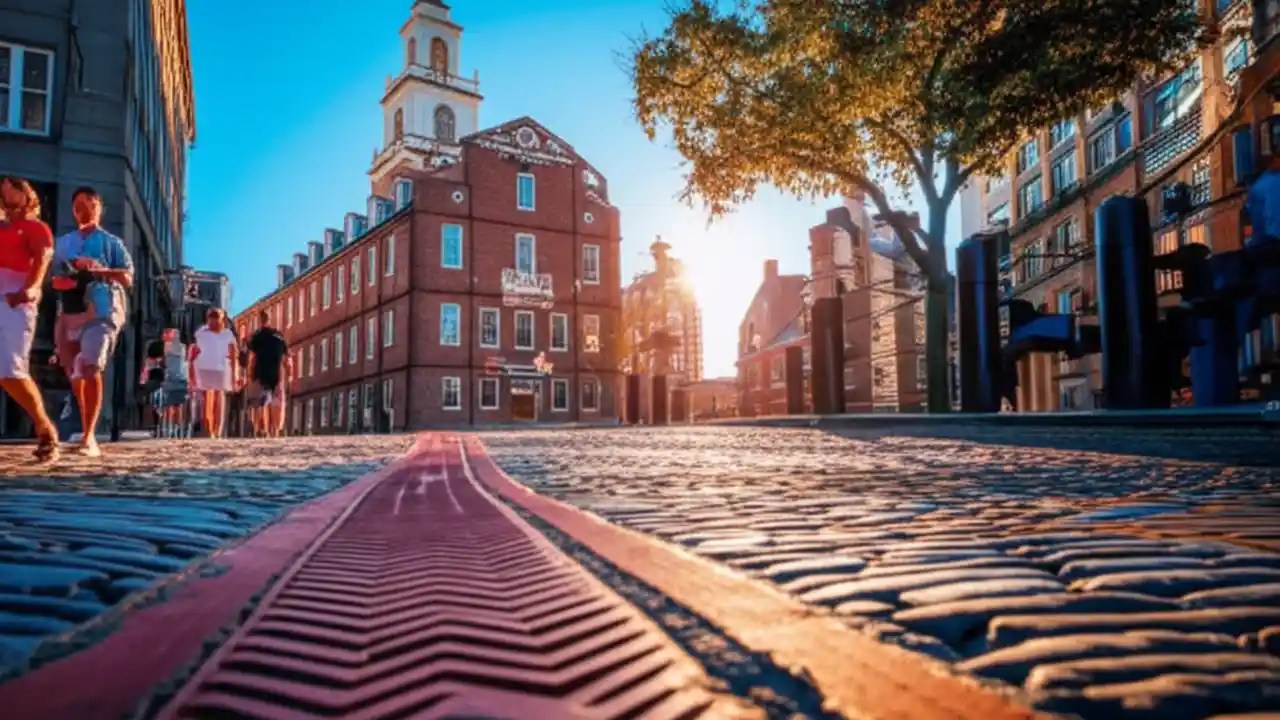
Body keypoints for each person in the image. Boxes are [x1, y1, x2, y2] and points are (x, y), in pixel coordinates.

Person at [51, 186, 134, 458]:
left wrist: (97, 269)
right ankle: (86, 422)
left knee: (90, 365)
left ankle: (89, 436)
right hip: (70, 311)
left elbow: (128, 277)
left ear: (99, 207)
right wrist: (74, 273)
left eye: (88, 203)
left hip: (102, 307)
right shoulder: (63, 243)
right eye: (77, 205)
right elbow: (52, 279)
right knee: (73, 370)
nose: (82, 208)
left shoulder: (111, 243)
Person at [0, 177, 60, 462]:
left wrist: (31, 289)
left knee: (10, 371)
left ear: (27, 197)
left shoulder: (37, 228)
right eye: (5, 198)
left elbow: (42, 260)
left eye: (14, 197)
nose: (9, 204)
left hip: (15, 296)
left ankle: (44, 427)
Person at [190, 308, 239, 439]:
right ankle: (209, 428)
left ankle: (217, 430)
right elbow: (193, 353)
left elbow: (234, 355)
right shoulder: (200, 332)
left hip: (222, 368)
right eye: (211, 322)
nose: (213, 325)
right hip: (204, 368)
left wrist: (235, 375)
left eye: (216, 322)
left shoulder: (228, 334)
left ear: (222, 321)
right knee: (207, 398)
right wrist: (192, 374)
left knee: (219, 397)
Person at [245, 309, 290, 438]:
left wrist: (249, 374)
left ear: (260, 320)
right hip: (275, 372)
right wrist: (289, 373)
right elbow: (286, 357)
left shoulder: (257, 336)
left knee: (261, 403)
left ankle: (262, 429)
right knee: (274, 403)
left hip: (261, 372)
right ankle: (274, 429)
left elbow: (251, 356)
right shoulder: (279, 336)